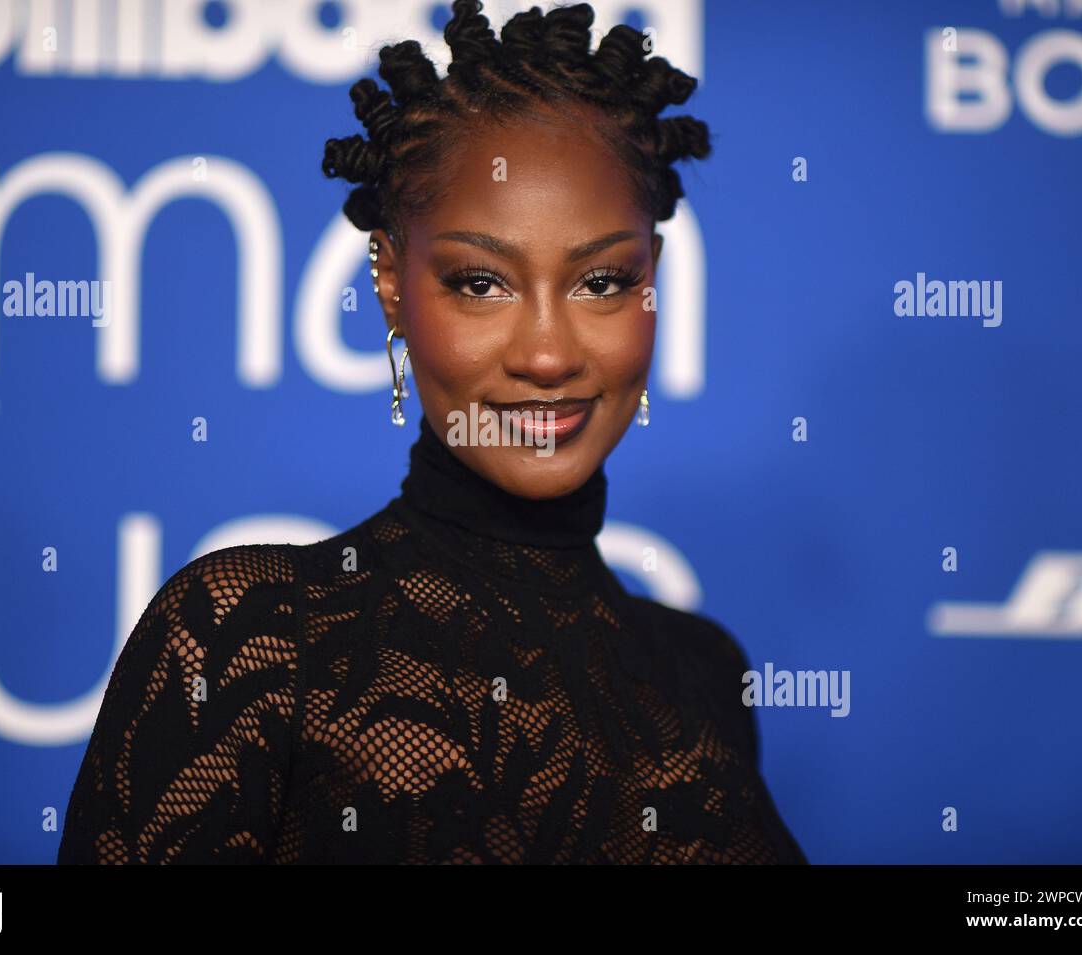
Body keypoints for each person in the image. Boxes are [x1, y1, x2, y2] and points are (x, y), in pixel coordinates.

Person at [57, 0, 806, 865]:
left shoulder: (701, 673)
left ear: (652, 282)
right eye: (481, 282)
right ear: (389, 279)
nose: (548, 354)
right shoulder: (251, 639)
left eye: (601, 280)